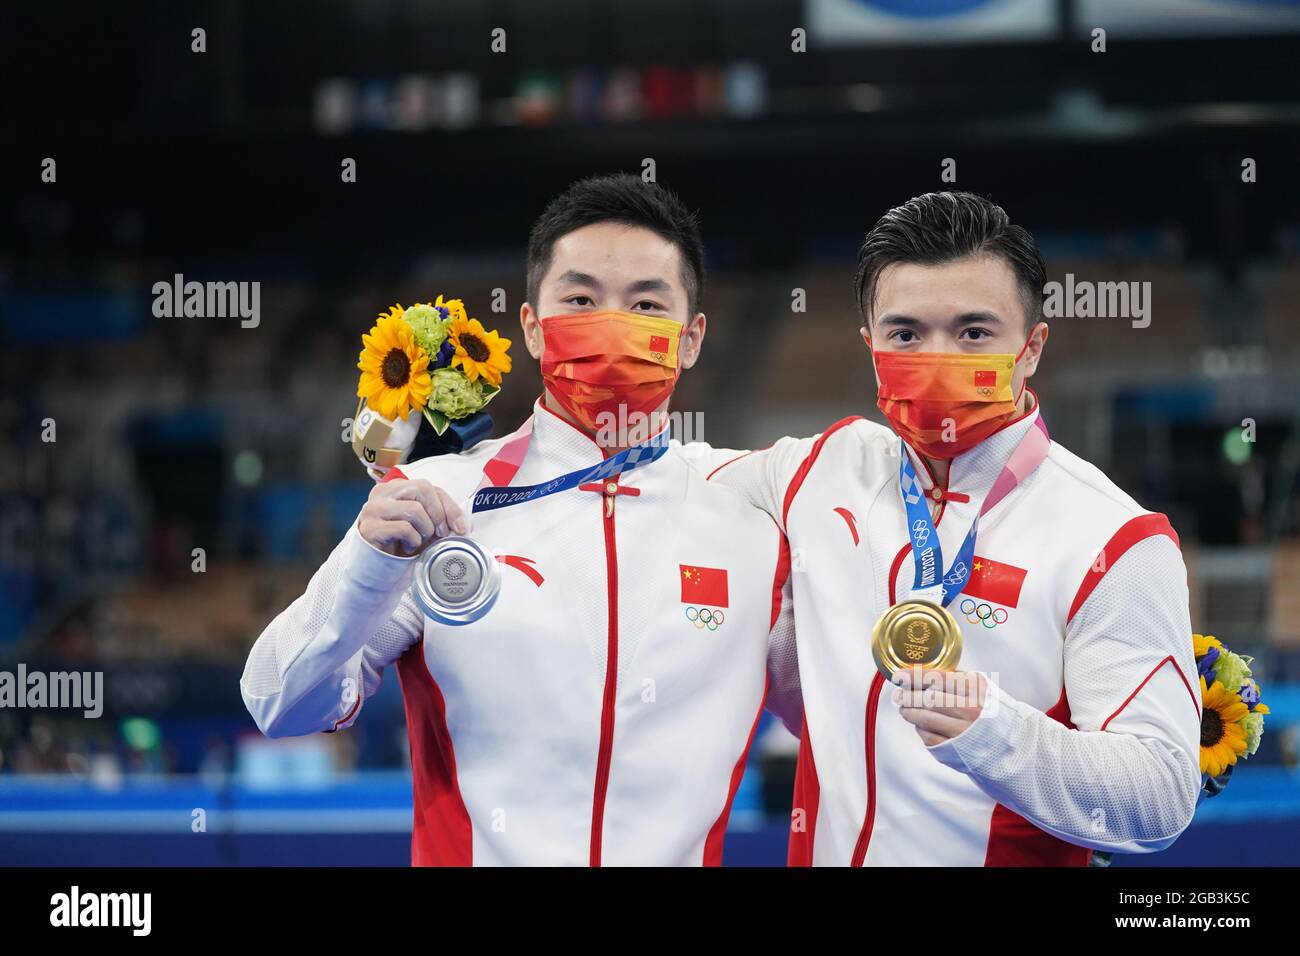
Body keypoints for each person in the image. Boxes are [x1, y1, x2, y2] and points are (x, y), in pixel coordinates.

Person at [240, 174, 797, 866]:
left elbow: (847, 728)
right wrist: (365, 561)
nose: (612, 323)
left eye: (646, 303)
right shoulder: (436, 501)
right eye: (581, 298)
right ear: (533, 327)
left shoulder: (752, 529)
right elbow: (277, 700)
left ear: (691, 338)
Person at [702, 191, 1202, 865]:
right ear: (870, 345)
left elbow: (1161, 798)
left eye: (973, 333)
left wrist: (993, 731)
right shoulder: (819, 469)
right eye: (906, 334)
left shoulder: (1114, 540)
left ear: (1032, 348)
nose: (938, 357)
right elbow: (656, 481)